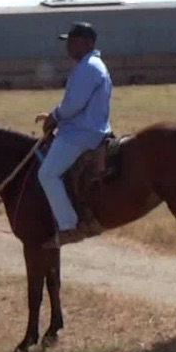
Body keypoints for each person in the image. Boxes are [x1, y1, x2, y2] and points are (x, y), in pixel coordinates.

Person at [36, 21, 113, 249]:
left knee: (47, 174)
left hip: (81, 134)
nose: (68, 46)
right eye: (68, 41)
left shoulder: (88, 67)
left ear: (88, 43)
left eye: (73, 41)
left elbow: (74, 104)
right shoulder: (91, 65)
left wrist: (54, 116)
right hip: (87, 129)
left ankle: (69, 226)